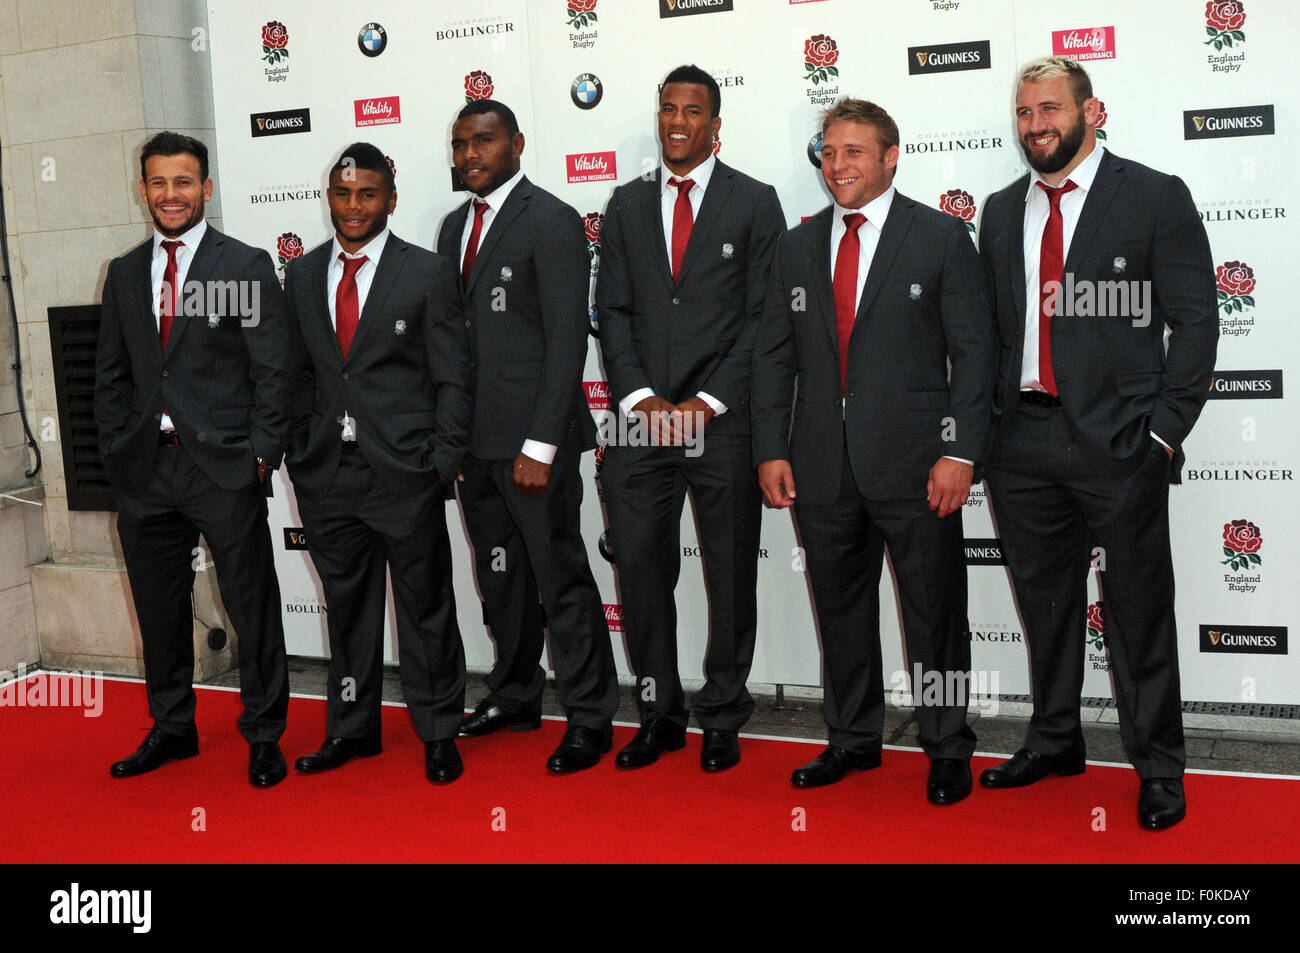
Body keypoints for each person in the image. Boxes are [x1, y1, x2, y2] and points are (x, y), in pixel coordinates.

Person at [977, 57, 1218, 829]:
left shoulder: (1153, 195)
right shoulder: (999, 208)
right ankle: (1055, 739)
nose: (1036, 124)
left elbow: (1196, 321)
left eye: (1050, 107)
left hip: (1121, 445)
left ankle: (1158, 765)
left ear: (1092, 110)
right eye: (1023, 112)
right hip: (1022, 442)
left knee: (1138, 610)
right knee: (1046, 605)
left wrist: (1164, 434)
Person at [752, 99, 995, 804]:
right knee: (842, 612)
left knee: (935, 616)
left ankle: (948, 745)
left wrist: (961, 453)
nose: (838, 165)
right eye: (829, 152)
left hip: (920, 465)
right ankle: (852, 739)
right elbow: (773, 358)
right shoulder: (795, 248)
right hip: (823, 465)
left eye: (854, 151)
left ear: (891, 156)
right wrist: (771, 445)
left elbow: (974, 357)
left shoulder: (943, 237)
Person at [595, 65, 785, 772]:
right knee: (642, 576)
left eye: (693, 110)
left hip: (722, 422)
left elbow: (764, 321)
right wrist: (642, 399)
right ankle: (658, 713)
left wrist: (704, 403)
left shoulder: (755, 203)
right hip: (642, 427)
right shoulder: (625, 204)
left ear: (716, 123)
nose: (678, 121)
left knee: (730, 577)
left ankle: (724, 716)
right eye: (668, 108)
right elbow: (610, 312)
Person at [94, 131, 292, 787]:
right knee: (159, 609)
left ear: (206, 188)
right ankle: (173, 726)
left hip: (224, 466)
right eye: (158, 182)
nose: (170, 194)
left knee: (251, 606)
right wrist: (120, 448)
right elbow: (111, 375)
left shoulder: (243, 265)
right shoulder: (124, 273)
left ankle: (264, 732)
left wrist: (261, 455)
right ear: (142, 187)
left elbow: (275, 371)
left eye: (183, 182)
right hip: (148, 469)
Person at [437, 99, 619, 773]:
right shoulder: (455, 226)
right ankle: (515, 694)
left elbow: (569, 338)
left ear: (515, 142)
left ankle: (592, 716)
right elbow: (452, 342)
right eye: (460, 145)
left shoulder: (552, 219)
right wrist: (451, 442)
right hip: (476, 447)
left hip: (533, 447)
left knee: (559, 577)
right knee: (501, 580)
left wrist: (541, 444)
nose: (470, 155)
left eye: (483, 141)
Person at [283, 142, 472, 784]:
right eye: (343, 193)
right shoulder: (303, 275)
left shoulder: (426, 272)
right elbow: (300, 374)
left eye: (368, 194)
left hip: (406, 470)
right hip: (327, 473)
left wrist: (441, 461)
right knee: (348, 607)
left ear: (391, 199)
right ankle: (351, 730)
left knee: (425, 608)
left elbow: (453, 375)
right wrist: (297, 449)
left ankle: (440, 731)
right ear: (328, 198)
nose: (354, 205)